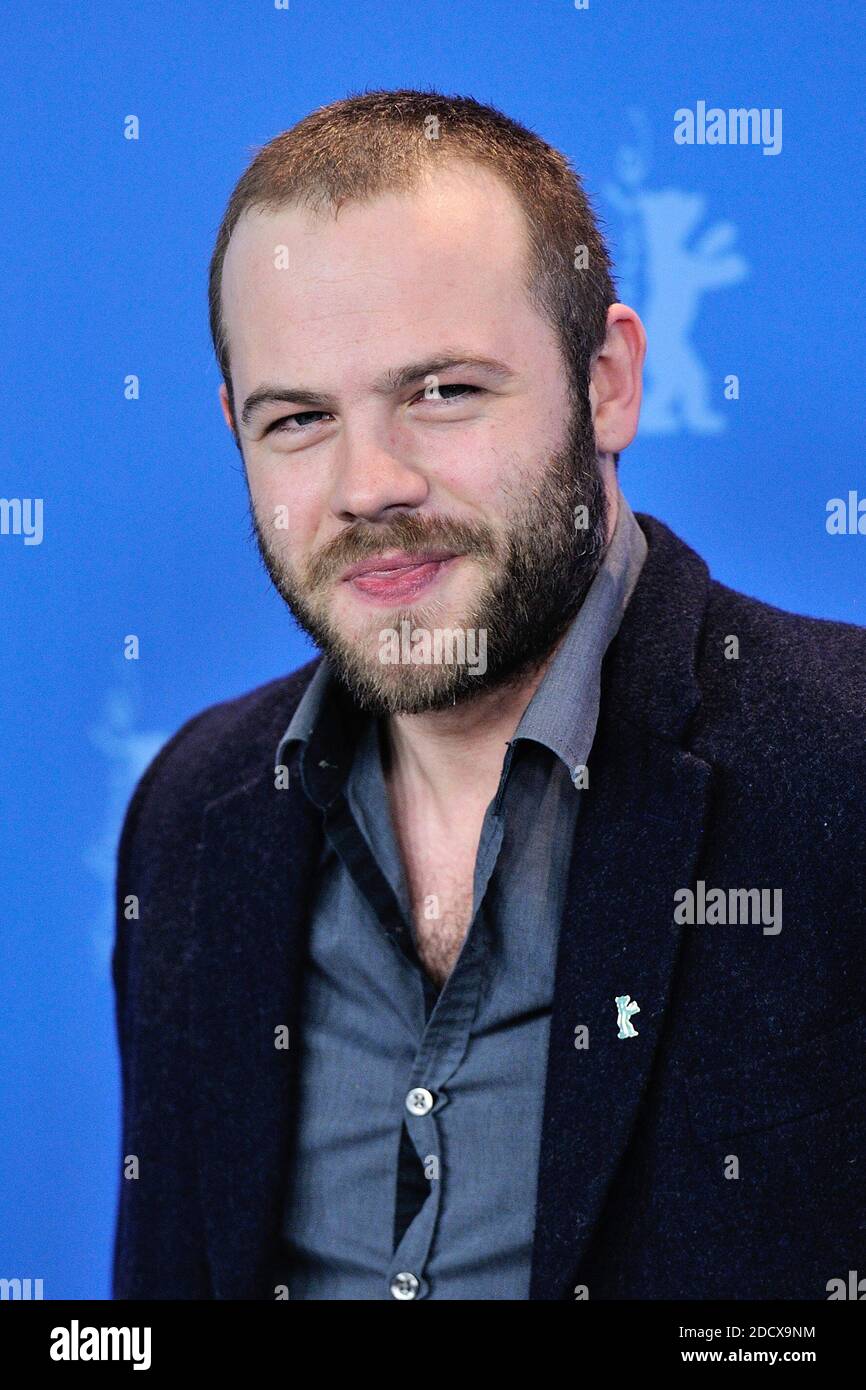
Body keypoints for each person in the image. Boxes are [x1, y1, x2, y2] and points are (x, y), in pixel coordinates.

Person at [111, 89, 866, 1301]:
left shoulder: (844, 762)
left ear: (607, 380)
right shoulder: (193, 813)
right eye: (297, 418)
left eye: (442, 392)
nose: (369, 485)